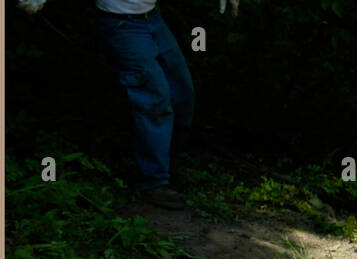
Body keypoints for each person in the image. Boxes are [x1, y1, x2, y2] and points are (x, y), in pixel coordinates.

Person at [20, 0, 221, 209]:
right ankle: (153, 181)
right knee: (155, 99)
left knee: (182, 92)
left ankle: (168, 165)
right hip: (121, 24)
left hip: (151, 18)